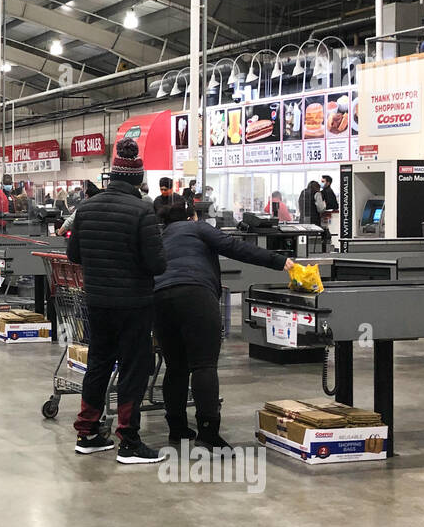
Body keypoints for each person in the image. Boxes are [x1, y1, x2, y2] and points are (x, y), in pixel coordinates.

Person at [154, 197, 294, 450]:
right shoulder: (198, 228)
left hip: (160, 298)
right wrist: (279, 261)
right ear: (192, 216)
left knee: (175, 367)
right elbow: (235, 248)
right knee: (204, 365)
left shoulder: (160, 236)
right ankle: (208, 434)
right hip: (196, 294)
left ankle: (177, 429)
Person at [66, 139, 166, 464]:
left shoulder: (87, 208)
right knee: (133, 370)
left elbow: (74, 254)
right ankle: (129, 441)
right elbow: (157, 264)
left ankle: (88, 433)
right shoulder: (142, 211)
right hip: (134, 305)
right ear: (138, 180)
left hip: (96, 302)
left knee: (98, 364)